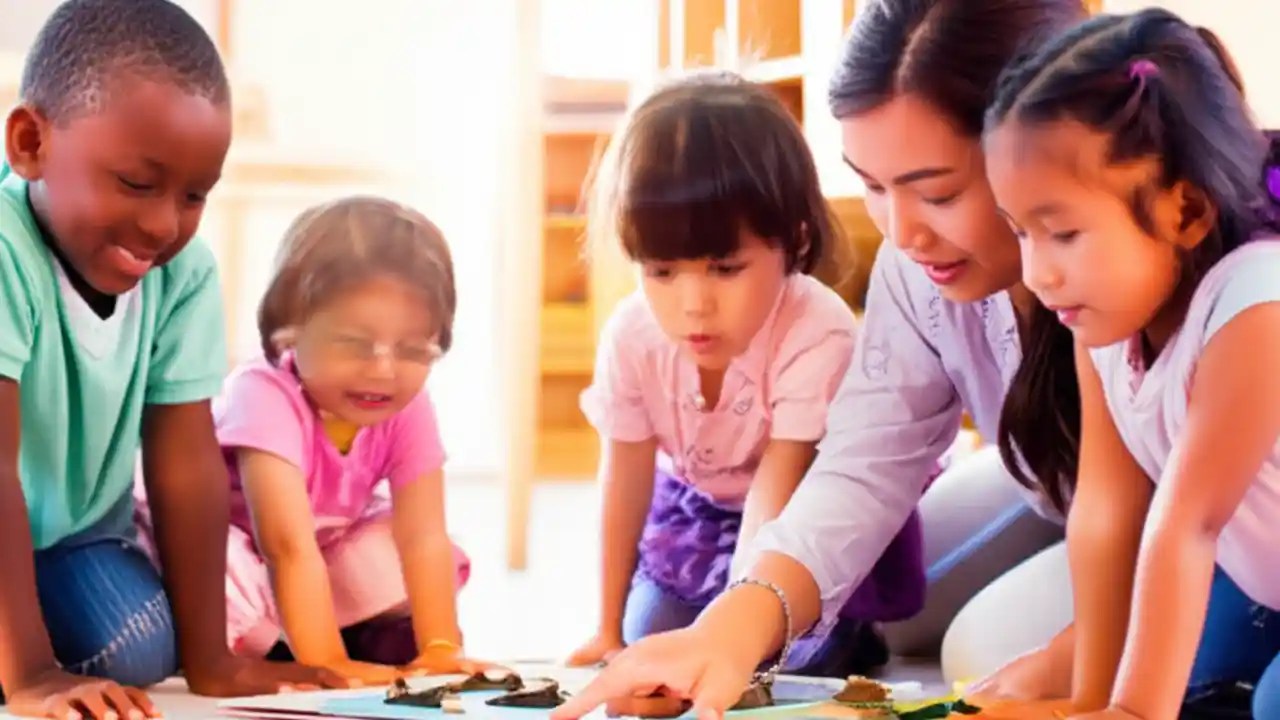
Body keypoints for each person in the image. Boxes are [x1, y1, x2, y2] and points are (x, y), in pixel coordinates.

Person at [550, 2, 1094, 717]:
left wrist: (1076, 656)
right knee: (880, 604)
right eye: (871, 185)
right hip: (1048, 481)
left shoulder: (1123, 271)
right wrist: (731, 626)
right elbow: (866, 461)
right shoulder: (913, 267)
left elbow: (1200, 521)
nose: (902, 233)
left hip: (1187, 529)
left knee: (981, 651)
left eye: (938, 192)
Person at [0, 1, 343, 718]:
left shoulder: (182, 276)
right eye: (135, 183)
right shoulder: (6, 255)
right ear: (31, 142)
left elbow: (185, 461)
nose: (163, 224)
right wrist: (30, 673)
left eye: (194, 196)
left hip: (69, 539)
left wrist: (211, 661)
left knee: (141, 650)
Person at [562, 71, 926, 679]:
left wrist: (735, 633)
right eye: (661, 271)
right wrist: (605, 627)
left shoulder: (816, 329)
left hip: (801, 519)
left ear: (793, 240)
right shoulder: (632, 335)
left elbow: (776, 489)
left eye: (725, 268)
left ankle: (854, 629)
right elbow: (624, 476)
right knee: (644, 631)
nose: (693, 306)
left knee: (798, 656)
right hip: (698, 514)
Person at [984, 8, 1280, 719]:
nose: (1037, 272)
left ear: (1185, 211)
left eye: (1062, 233)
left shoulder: (1255, 303)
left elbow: (1188, 522)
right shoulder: (1107, 323)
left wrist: (1132, 713)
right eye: (1020, 231)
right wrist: (1092, 696)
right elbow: (1109, 509)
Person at [153, 196, 490, 683]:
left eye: (414, 349)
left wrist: (440, 648)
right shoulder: (263, 391)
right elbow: (284, 545)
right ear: (289, 333)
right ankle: (296, 647)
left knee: (393, 542)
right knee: (222, 576)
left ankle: (338, 636)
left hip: (318, 553)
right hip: (248, 552)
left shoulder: (408, 404)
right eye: (353, 344)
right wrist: (325, 663)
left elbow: (424, 536)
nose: (383, 370)